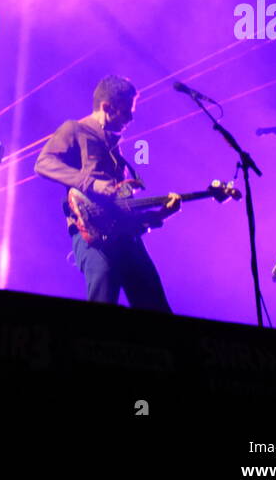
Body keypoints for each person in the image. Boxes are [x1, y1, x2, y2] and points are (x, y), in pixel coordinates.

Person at [34, 74, 178, 311]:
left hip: (126, 237)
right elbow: (43, 163)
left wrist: (161, 214)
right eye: (126, 110)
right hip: (93, 238)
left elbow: (123, 210)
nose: (131, 117)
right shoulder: (75, 130)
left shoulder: (115, 150)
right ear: (107, 107)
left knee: (157, 308)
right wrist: (90, 183)